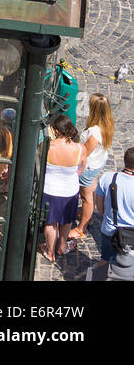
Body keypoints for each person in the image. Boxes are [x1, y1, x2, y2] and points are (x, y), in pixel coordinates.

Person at [69, 93, 114, 242]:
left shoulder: (94, 132)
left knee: (86, 197)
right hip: (98, 162)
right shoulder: (107, 123)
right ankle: (88, 217)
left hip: (88, 167)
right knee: (92, 190)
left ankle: (81, 229)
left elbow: (84, 153)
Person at [40, 115, 83, 262]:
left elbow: (41, 165)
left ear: (56, 131)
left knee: (50, 223)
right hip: (70, 191)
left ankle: (49, 251)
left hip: (50, 190)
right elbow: (80, 170)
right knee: (66, 221)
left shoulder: (47, 146)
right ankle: (62, 246)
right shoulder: (79, 148)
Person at [92, 147, 134, 281]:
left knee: (104, 260)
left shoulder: (108, 177)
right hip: (132, 235)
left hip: (110, 230)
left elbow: (99, 208)